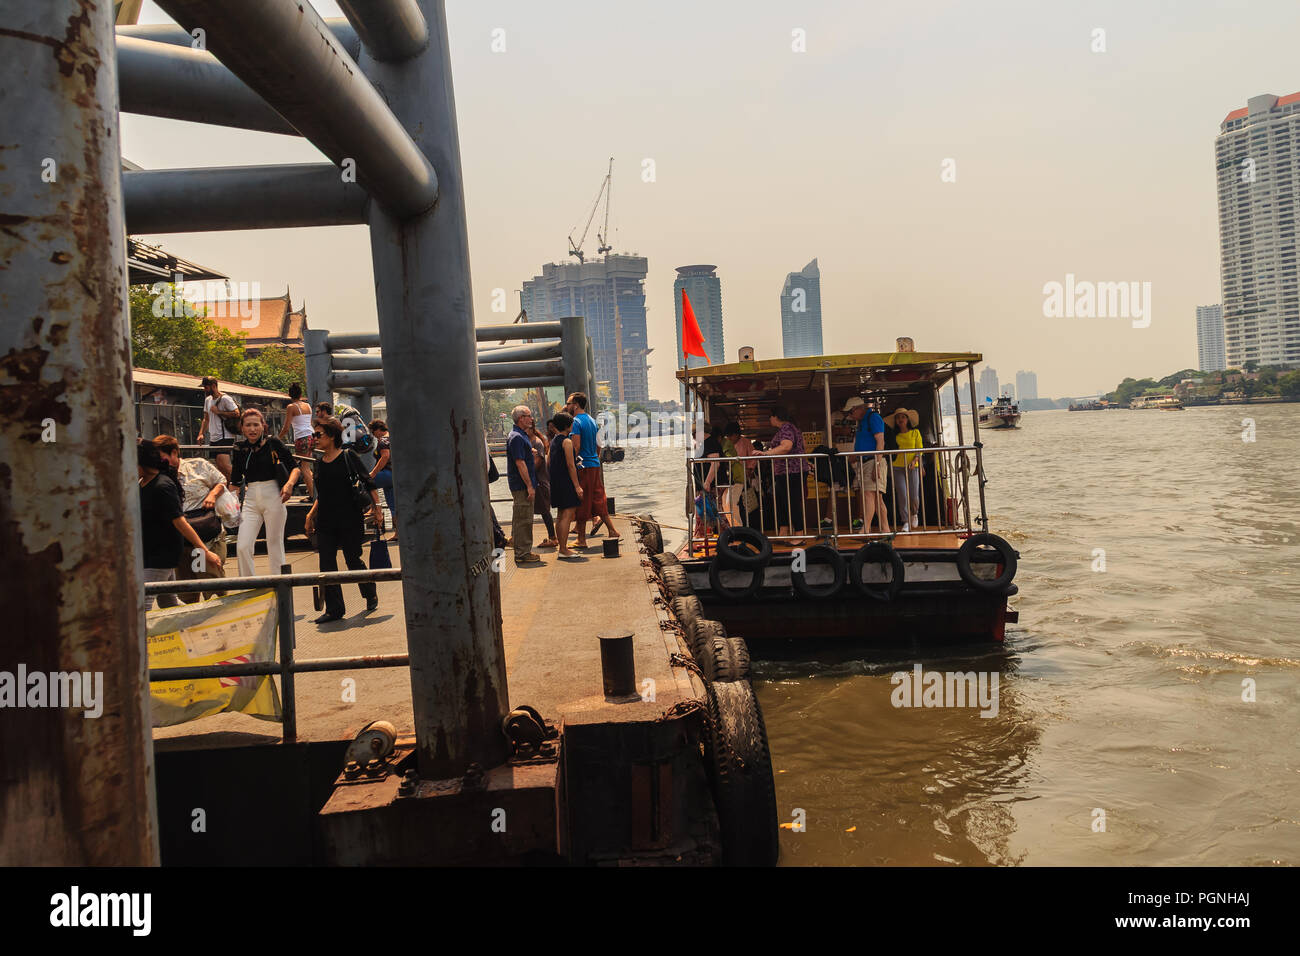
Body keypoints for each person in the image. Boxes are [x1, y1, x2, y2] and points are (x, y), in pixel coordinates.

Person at [304, 417, 382, 622]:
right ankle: (335, 609)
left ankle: (369, 592)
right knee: (326, 563)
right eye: (314, 435)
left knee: (352, 559)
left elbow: (368, 481)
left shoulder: (349, 456)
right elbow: (322, 494)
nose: (315, 438)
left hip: (349, 517)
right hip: (326, 520)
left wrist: (378, 508)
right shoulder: (320, 463)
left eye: (318, 435)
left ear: (331, 436)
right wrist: (311, 515)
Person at [137, 441, 221, 611]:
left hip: (161, 554)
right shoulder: (142, 483)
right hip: (151, 551)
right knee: (169, 602)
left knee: (141, 603)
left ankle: (139, 637)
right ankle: (196, 627)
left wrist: (204, 552)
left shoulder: (163, 486)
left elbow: (180, 522)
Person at [153, 434, 229, 603]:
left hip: (204, 537)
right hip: (180, 542)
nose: (158, 462)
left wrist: (212, 495)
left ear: (174, 453)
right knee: (186, 591)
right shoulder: (158, 476)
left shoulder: (198, 465)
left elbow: (221, 481)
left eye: (161, 457)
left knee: (210, 583)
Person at [229, 407, 301, 578]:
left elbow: (295, 468)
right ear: (242, 428)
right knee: (243, 545)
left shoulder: (273, 443)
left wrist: (289, 484)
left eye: (256, 424)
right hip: (251, 497)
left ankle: (280, 585)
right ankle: (249, 584)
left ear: (263, 426)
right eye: (248, 425)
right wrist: (228, 504)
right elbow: (235, 481)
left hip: (274, 495)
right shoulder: (240, 448)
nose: (252, 429)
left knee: (275, 543)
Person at [568, 391, 618, 545]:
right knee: (597, 497)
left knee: (582, 500)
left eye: (569, 403)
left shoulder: (576, 422)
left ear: (576, 405)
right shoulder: (591, 420)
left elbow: (576, 447)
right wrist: (594, 457)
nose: (567, 405)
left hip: (583, 466)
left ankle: (581, 539)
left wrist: (572, 464)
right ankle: (612, 530)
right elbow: (599, 445)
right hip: (594, 463)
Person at [761, 406, 809, 536]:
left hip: (791, 471)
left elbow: (786, 446)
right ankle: (784, 531)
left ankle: (799, 534)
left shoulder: (786, 428)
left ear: (776, 417)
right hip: (787, 471)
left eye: (770, 416)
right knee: (783, 502)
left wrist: (767, 453)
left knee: (791, 502)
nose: (770, 419)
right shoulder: (791, 428)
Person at [845, 396, 890, 534]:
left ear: (857, 409)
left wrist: (877, 464)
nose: (850, 416)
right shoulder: (862, 422)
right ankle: (885, 529)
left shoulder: (873, 418)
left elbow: (880, 442)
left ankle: (866, 529)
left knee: (868, 495)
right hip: (865, 461)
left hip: (873, 461)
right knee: (877, 498)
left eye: (850, 412)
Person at [506, 405, 542, 564]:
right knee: (524, 519)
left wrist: (530, 452)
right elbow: (520, 463)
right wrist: (529, 486)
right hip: (522, 486)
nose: (531, 418)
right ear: (521, 418)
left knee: (521, 517)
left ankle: (520, 547)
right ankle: (523, 553)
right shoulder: (517, 437)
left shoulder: (518, 436)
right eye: (528, 415)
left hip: (520, 484)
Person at [548, 412, 584, 558]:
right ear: (568, 425)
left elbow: (548, 462)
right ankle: (563, 549)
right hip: (566, 482)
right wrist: (577, 486)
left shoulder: (554, 441)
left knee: (560, 515)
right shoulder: (567, 442)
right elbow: (571, 465)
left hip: (556, 481)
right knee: (567, 515)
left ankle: (562, 548)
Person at [889, 407, 924, 532]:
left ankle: (914, 513)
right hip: (897, 467)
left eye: (903, 417)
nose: (900, 419)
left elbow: (920, 450)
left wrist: (915, 461)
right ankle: (905, 521)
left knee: (914, 494)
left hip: (912, 467)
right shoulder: (894, 435)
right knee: (902, 495)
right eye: (898, 417)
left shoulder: (915, 433)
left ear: (907, 419)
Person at [198, 375, 239, 480]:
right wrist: (201, 433)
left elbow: (236, 413)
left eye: (206, 387)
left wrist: (219, 412)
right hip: (214, 436)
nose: (205, 389)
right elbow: (206, 419)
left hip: (225, 435)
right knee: (220, 467)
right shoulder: (208, 400)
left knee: (224, 464)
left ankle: (240, 483)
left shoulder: (225, 398)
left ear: (213, 386)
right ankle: (230, 487)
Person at [278, 383, 315, 500]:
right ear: (300, 394)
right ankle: (314, 492)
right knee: (306, 467)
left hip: (302, 438)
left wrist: (277, 439)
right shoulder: (308, 406)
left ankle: (313, 496)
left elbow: (286, 427)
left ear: (289, 394)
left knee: (304, 468)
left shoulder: (291, 407)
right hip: (311, 436)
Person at [527, 421, 557, 547]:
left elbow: (537, 464)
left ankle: (553, 537)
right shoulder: (529, 442)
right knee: (530, 511)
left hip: (539, 482)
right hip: (535, 482)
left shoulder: (537, 443)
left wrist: (523, 470)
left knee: (545, 511)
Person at [723, 422, 758, 527]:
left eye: (731, 435)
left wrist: (749, 469)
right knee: (730, 503)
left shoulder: (746, 442)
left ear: (737, 434)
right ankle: (735, 525)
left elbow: (753, 458)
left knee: (742, 503)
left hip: (743, 477)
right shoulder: (725, 443)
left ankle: (745, 526)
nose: (729, 438)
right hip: (729, 478)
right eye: (727, 436)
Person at [368, 419, 396, 528]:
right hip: (393, 475)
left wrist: (373, 473)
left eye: (373, 432)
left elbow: (385, 456)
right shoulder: (391, 438)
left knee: (366, 482)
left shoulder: (383, 440)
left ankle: (374, 508)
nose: (374, 435)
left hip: (386, 473)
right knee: (393, 506)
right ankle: (398, 533)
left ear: (378, 429)